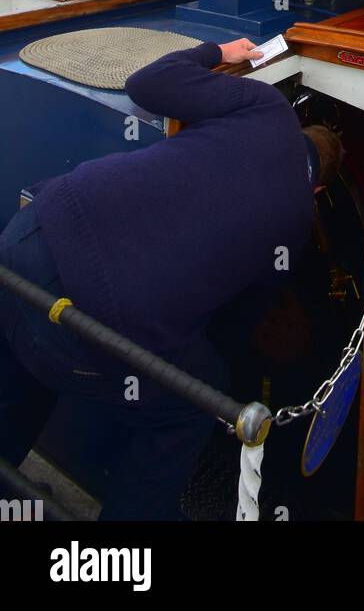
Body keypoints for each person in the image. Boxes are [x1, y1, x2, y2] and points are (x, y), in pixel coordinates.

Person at [0, 36, 342, 520]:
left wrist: (217, 54)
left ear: (303, 129)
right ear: (320, 187)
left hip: (27, 237)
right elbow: (237, 322)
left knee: (24, 353)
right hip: (85, 322)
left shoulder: (266, 106)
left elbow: (147, 82)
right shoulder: (297, 225)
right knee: (194, 399)